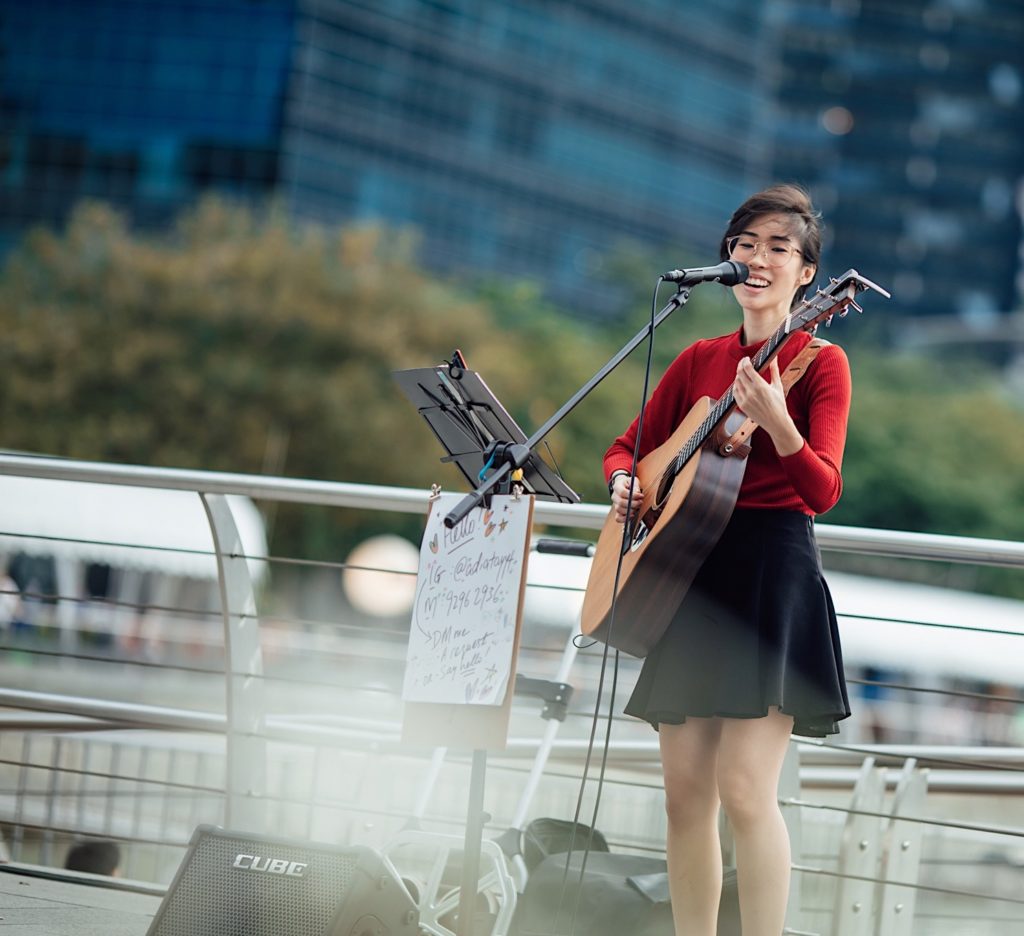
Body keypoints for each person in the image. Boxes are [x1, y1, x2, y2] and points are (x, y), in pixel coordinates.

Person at [604, 184, 851, 936]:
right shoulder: (700, 357)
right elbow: (629, 446)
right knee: (684, 794)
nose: (758, 258)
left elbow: (824, 489)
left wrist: (778, 421)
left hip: (771, 572)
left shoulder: (822, 361)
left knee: (746, 791)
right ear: (726, 259)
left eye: (779, 247)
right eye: (746, 244)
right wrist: (623, 481)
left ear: (808, 274)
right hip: (690, 571)